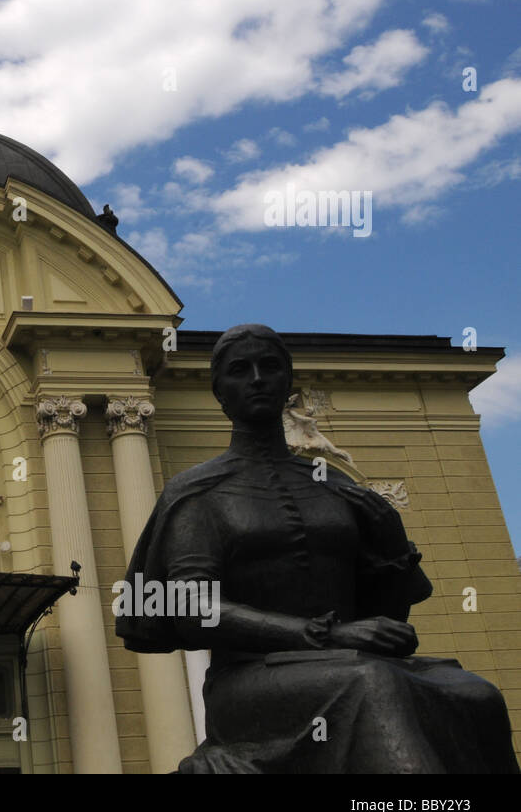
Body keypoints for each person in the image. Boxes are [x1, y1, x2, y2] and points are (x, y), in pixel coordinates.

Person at [117, 323, 519, 773]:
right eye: (239, 370)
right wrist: (325, 634)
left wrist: (389, 538)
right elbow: (193, 607)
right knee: (370, 682)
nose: (256, 379)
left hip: (348, 662)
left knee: (476, 694)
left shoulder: (333, 489)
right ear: (220, 392)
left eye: (270, 367)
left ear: (288, 383)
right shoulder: (197, 492)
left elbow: (387, 616)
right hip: (252, 679)